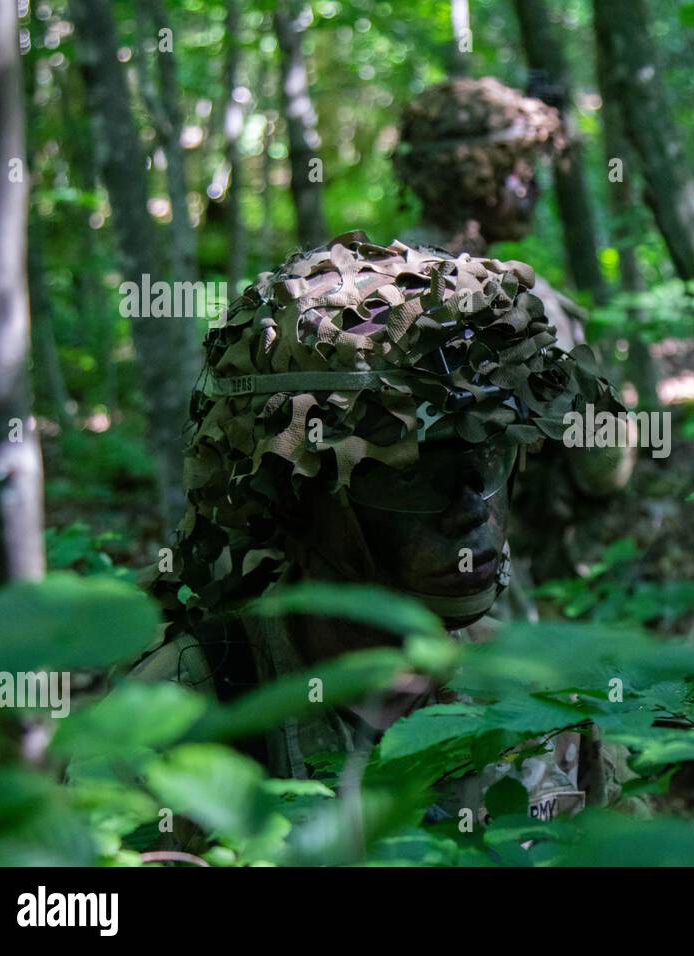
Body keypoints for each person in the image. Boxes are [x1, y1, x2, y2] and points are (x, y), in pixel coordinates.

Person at [136, 230, 634, 820]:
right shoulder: (184, 709)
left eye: (489, 462)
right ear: (295, 500)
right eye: (411, 478)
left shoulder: (544, 699)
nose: (471, 510)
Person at [395, 77, 633, 590]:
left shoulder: (363, 284)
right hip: (488, 585)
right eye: (521, 172)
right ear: (482, 179)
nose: (535, 187)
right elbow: (602, 467)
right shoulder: (525, 302)